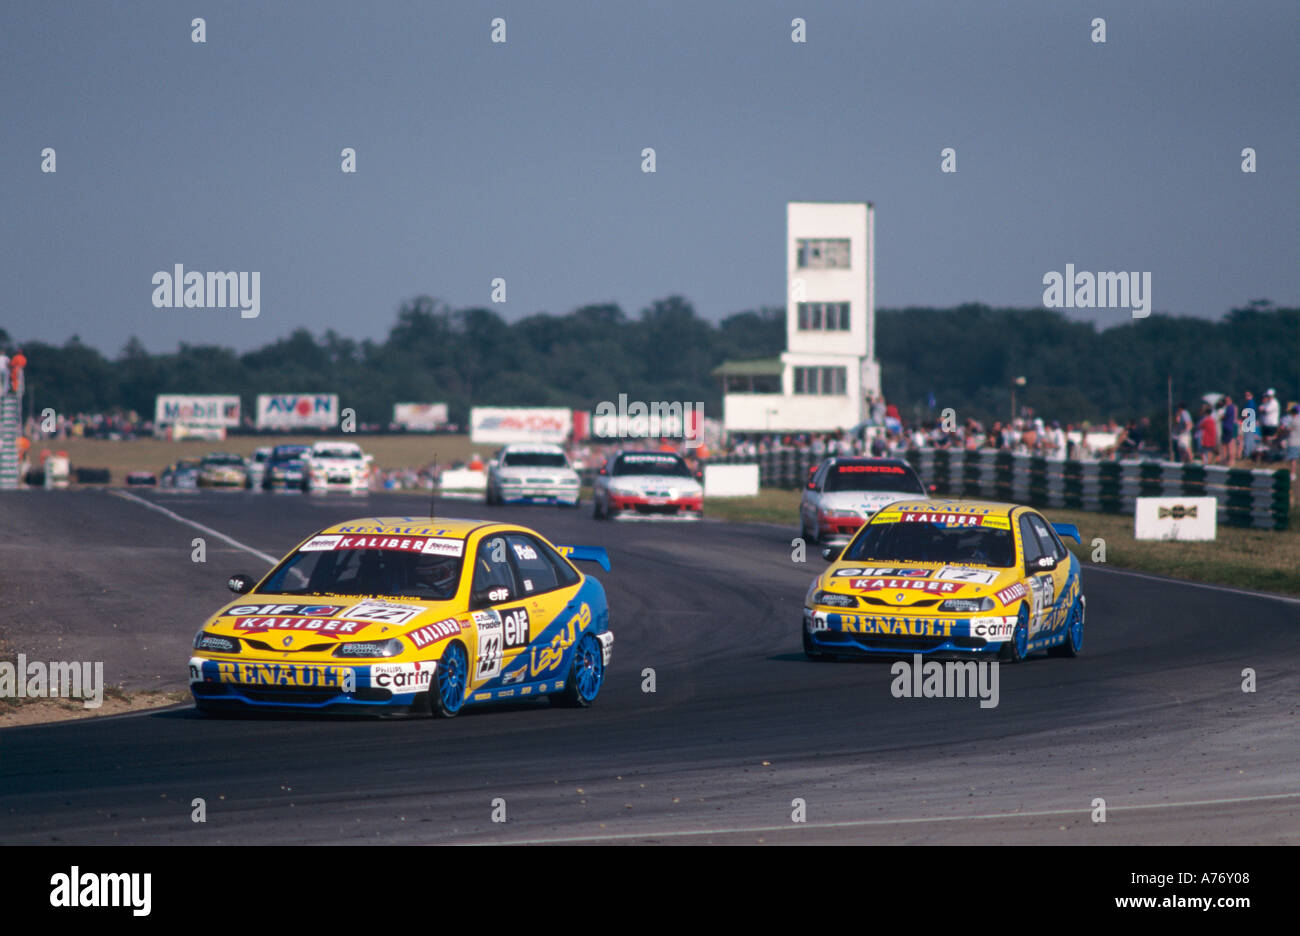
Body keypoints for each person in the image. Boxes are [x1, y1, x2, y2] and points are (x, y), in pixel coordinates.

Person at [1258, 389, 1281, 456]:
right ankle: (1266, 453)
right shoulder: (1267, 403)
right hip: (1266, 424)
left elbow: (1266, 410)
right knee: (1264, 439)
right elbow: (1261, 408)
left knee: (1269, 439)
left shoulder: (1274, 403)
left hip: (1272, 425)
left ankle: (1272, 453)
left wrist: (1262, 409)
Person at [1281, 403, 1299, 482]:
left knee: (1292, 459)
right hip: (1298, 442)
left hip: (1293, 442)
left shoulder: (1293, 421)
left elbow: (1287, 429)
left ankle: (1292, 474)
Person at [1220, 395, 1239, 464]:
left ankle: (1231, 460)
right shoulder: (1229, 407)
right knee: (1225, 444)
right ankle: (1225, 460)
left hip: (1229, 427)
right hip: (1227, 427)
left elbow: (1224, 416)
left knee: (1230, 444)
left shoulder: (1230, 407)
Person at [1240, 390, 1258, 460]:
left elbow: (1247, 415)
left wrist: (1244, 417)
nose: (1246, 397)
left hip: (1248, 423)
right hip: (1249, 423)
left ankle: (1247, 455)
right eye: (1246, 395)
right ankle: (1249, 455)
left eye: (1248, 395)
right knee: (1249, 440)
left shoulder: (1250, 403)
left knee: (1248, 440)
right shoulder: (1249, 403)